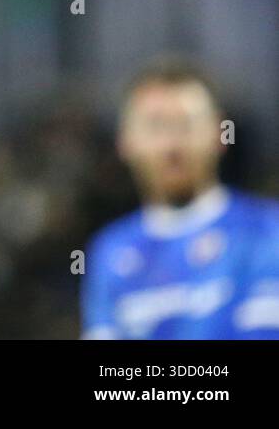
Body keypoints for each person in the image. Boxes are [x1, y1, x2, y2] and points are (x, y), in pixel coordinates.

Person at [81, 56, 279, 339]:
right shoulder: (110, 250)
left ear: (219, 133)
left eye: (186, 124)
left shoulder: (268, 231)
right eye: (155, 125)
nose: (172, 145)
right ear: (126, 140)